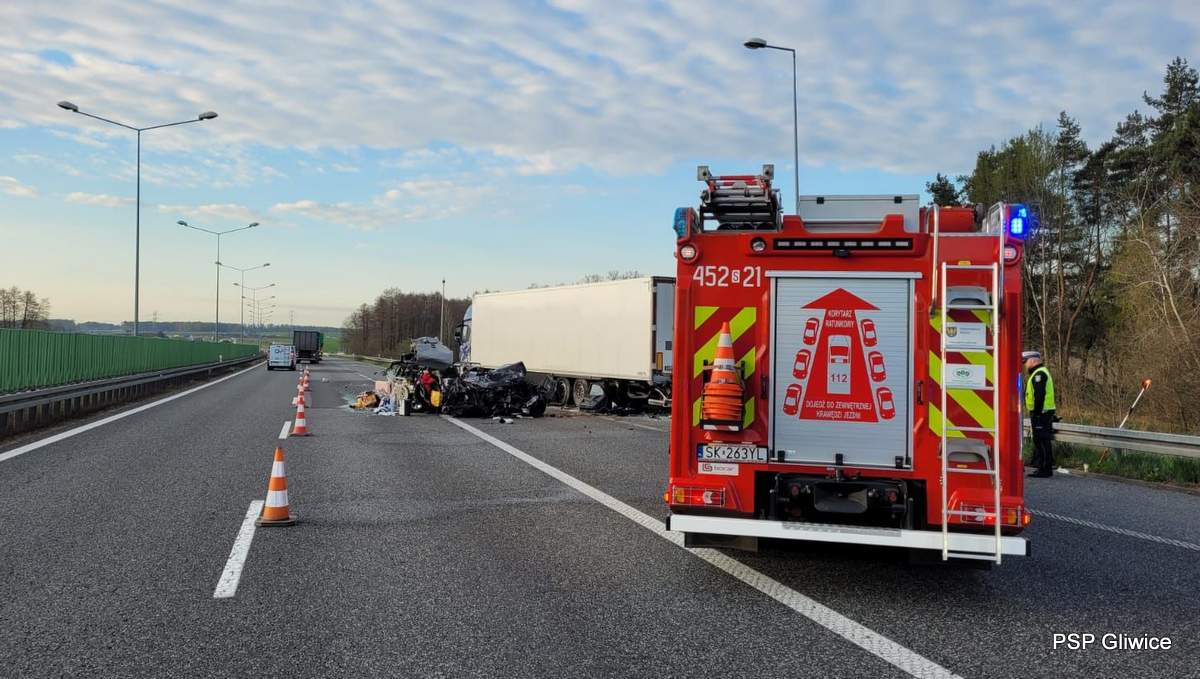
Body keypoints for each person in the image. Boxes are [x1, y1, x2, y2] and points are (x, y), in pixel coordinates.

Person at [1023, 350, 1056, 478]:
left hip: (1041, 413)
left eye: (1026, 362)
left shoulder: (1039, 374)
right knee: (1041, 440)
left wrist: (1036, 413)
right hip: (1042, 412)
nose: (1025, 365)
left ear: (1033, 360)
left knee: (1042, 440)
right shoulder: (1039, 372)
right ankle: (1043, 467)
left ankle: (1045, 468)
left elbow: (1039, 395)